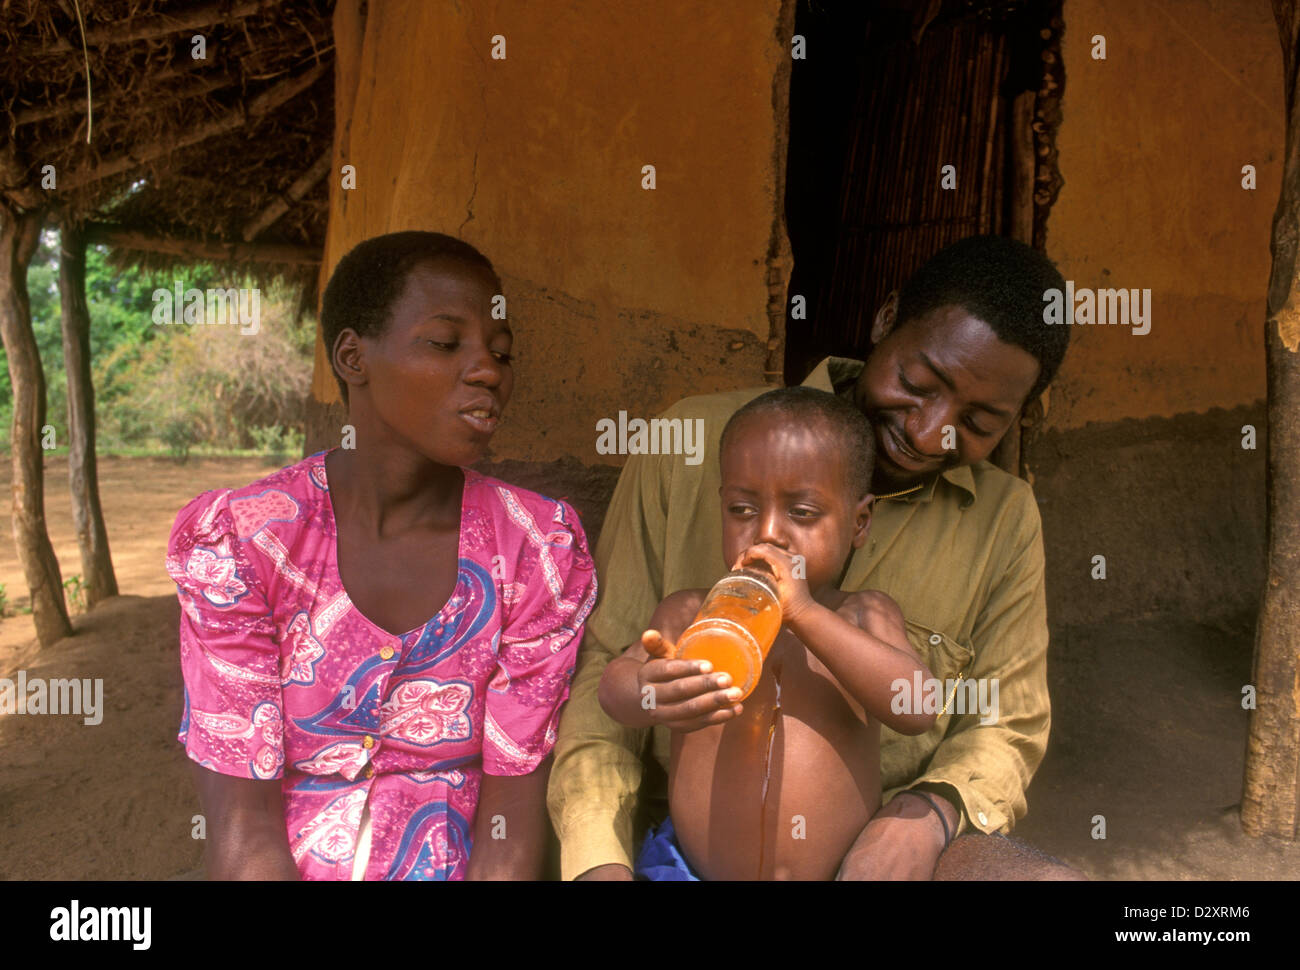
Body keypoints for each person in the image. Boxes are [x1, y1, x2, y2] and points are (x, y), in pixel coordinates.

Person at [549, 234, 1084, 880]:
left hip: (884, 850)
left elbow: (999, 722)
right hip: (688, 857)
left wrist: (933, 812)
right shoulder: (688, 449)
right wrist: (597, 861)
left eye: (979, 421)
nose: (927, 430)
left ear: (860, 523)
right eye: (918, 383)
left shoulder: (997, 525)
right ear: (886, 320)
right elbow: (609, 676)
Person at [166, 231, 597, 880]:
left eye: (501, 352)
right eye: (446, 343)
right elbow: (241, 825)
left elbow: (510, 821)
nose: (488, 370)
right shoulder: (245, 543)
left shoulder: (537, 550)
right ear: (352, 357)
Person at [600, 388, 938, 879]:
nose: (768, 533)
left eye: (801, 513)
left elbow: (918, 707)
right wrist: (648, 690)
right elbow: (612, 688)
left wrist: (802, 611)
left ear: (859, 523)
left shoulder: (863, 614)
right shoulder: (693, 612)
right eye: (741, 509)